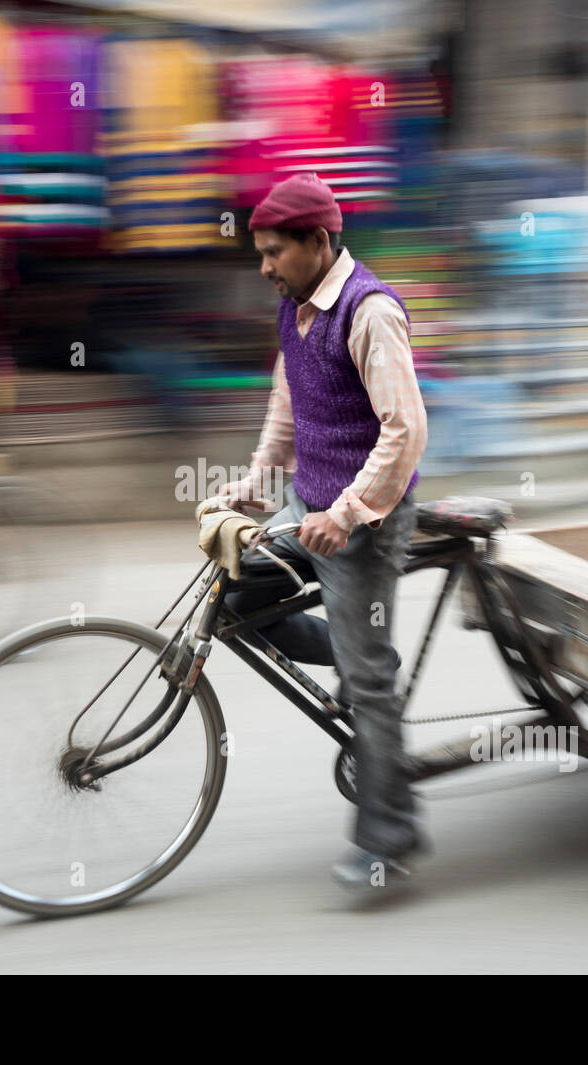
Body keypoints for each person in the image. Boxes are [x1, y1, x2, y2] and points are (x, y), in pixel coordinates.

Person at [216, 172, 430, 893]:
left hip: (365, 521)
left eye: (276, 252)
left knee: (367, 684)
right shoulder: (296, 305)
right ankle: (357, 651)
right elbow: (289, 401)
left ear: (318, 241)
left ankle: (391, 833)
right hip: (307, 505)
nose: (265, 267)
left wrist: (347, 513)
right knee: (239, 598)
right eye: (262, 253)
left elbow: (406, 432)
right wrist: (255, 481)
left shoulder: (369, 312)